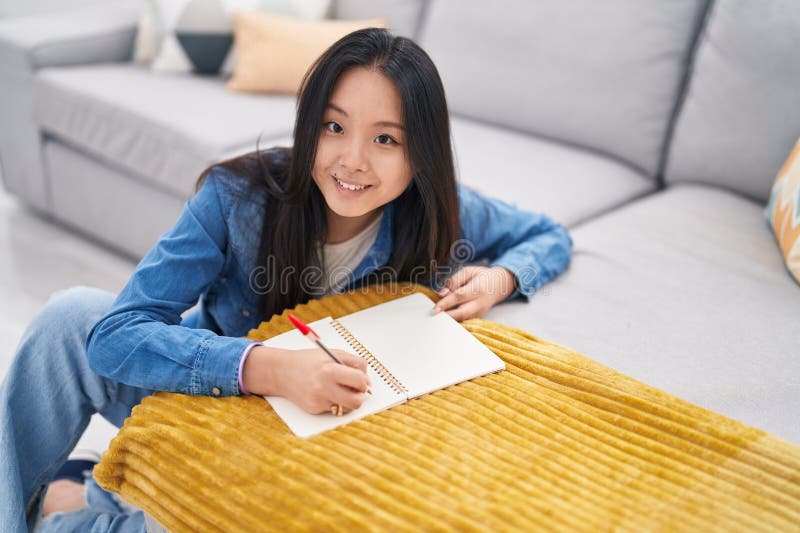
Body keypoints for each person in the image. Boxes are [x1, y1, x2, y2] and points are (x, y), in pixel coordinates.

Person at [0, 28, 572, 531]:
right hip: (210, 392)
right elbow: (117, 334)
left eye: (385, 139)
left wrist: (501, 277)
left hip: (310, 440)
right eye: (333, 126)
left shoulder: (442, 212)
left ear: (421, 154)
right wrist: (265, 367)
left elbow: (548, 235)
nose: (352, 160)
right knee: (72, 315)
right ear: (308, 124)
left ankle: (92, 501)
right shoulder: (234, 198)